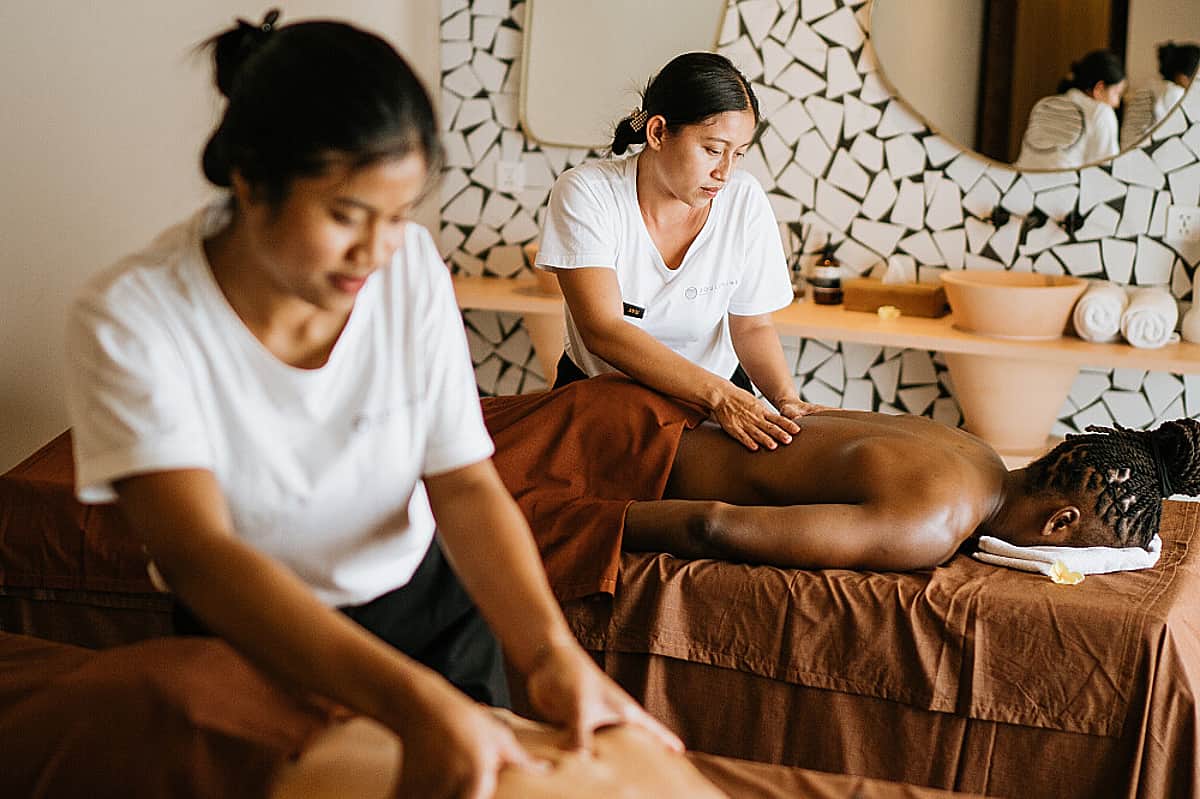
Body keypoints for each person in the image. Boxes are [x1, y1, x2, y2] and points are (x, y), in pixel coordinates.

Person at [63, 12, 679, 798]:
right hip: (257, 637)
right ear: (251, 179)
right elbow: (201, 558)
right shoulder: (135, 318)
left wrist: (550, 653)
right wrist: (414, 703)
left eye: (398, 214)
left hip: (427, 609)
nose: (377, 250)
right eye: (346, 215)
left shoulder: (406, 266)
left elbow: (462, 481)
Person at [480, 377, 1194, 594]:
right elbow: (715, 528)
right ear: (1062, 521)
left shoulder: (969, 448)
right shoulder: (932, 524)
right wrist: (577, 517)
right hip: (607, 458)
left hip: (625, 408)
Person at [535, 51, 819, 453]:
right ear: (657, 132)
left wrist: (786, 400)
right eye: (712, 149)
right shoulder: (587, 192)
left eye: (738, 154)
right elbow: (603, 330)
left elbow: (752, 326)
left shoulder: (744, 200)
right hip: (606, 399)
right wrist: (717, 396)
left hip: (721, 398)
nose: (725, 172)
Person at [1016, 50, 1126, 171]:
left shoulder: (1045, 104)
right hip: (1062, 186)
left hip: (1022, 184)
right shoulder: (1101, 112)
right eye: (1117, 93)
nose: (1117, 103)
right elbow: (1106, 169)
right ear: (1099, 88)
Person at [1120, 42, 1200, 149]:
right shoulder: (1174, 94)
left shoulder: (1152, 86)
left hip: (1129, 151)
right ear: (1183, 77)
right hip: (1144, 155)